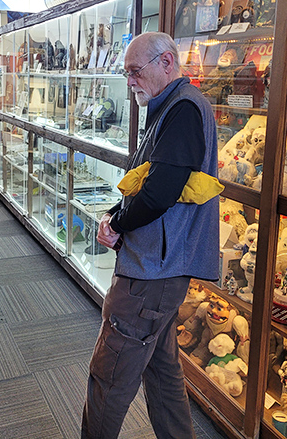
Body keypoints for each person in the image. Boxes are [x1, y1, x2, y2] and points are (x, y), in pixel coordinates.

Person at [81, 32, 220, 439]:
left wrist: (119, 223)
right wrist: (117, 214)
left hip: (151, 274)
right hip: (161, 268)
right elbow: (152, 183)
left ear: (167, 63)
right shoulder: (175, 107)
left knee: (110, 376)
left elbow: (159, 192)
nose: (130, 81)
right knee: (161, 373)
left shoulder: (182, 109)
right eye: (126, 73)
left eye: (135, 71)